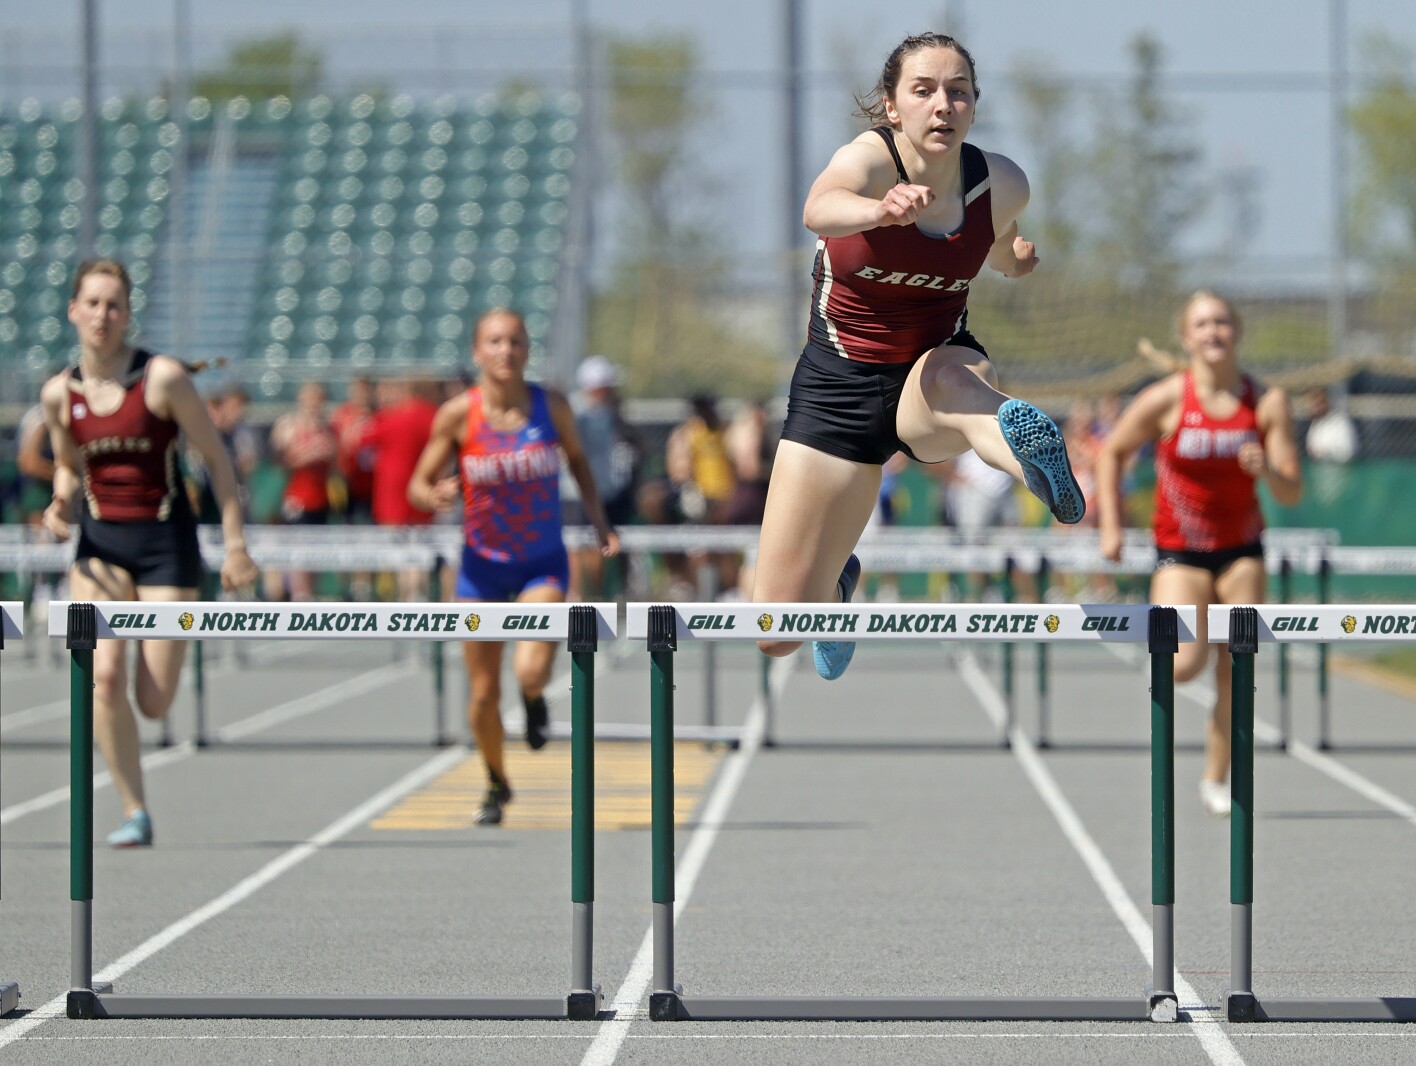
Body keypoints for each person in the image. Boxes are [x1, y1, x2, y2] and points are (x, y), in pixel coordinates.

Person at [751, 31, 1084, 680]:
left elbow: (1000, 245)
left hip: (933, 372)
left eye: (958, 93)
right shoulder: (868, 162)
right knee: (774, 632)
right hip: (836, 392)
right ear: (892, 106)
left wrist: (1016, 264)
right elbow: (819, 207)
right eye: (924, 91)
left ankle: (1033, 459)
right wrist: (880, 209)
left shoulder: (1002, 183)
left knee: (957, 378)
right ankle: (836, 584)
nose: (943, 105)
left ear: (973, 108)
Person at [40, 259, 258, 847]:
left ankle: (139, 778)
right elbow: (67, 466)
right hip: (100, 549)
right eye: (92, 303)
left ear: (128, 314)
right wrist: (60, 507)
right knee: (103, 678)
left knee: (154, 701)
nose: (102, 316)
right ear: (74, 311)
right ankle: (135, 809)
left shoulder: (160, 379)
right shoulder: (60, 393)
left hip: (166, 548)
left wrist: (235, 546)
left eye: (114, 305)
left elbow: (218, 459)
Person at [408, 309, 619, 825]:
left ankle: (533, 697)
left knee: (529, 668)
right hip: (480, 569)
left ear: (527, 351)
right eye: (495, 342)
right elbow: (417, 483)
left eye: (516, 342)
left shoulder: (551, 406)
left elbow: (578, 461)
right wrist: (433, 494)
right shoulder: (459, 415)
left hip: (541, 564)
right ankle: (496, 782)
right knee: (482, 693)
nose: (506, 351)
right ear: (478, 352)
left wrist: (599, 523)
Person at [1095, 290, 1303, 817]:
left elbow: (1291, 492)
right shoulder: (1167, 398)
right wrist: (1111, 529)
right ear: (1187, 337)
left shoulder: (1266, 401)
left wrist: (1268, 471)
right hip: (1179, 550)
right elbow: (1112, 452)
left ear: (1237, 331)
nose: (1214, 332)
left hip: (1241, 553)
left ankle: (1217, 777)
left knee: (1236, 670)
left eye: (1223, 322)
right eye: (1203, 324)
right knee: (1183, 664)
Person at [565, 355, 641, 600]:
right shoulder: (579, 413)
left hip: (602, 492)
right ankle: (581, 600)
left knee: (600, 547)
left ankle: (597, 599)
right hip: (579, 494)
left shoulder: (606, 413)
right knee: (580, 548)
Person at [363, 376, 440, 600]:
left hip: (392, 496)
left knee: (401, 558)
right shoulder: (434, 416)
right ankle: (418, 604)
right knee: (420, 555)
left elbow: (362, 449)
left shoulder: (388, 418)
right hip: (424, 492)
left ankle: (406, 609)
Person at [267, 380, 337, 600]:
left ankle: (310, 593)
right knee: (298, 547)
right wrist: (309, 454)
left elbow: (335, 460)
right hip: (297, 498)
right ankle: (299, 594)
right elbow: (281, 459)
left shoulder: (327, 428)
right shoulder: (289, 426)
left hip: (321, 498)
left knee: (317, 550)